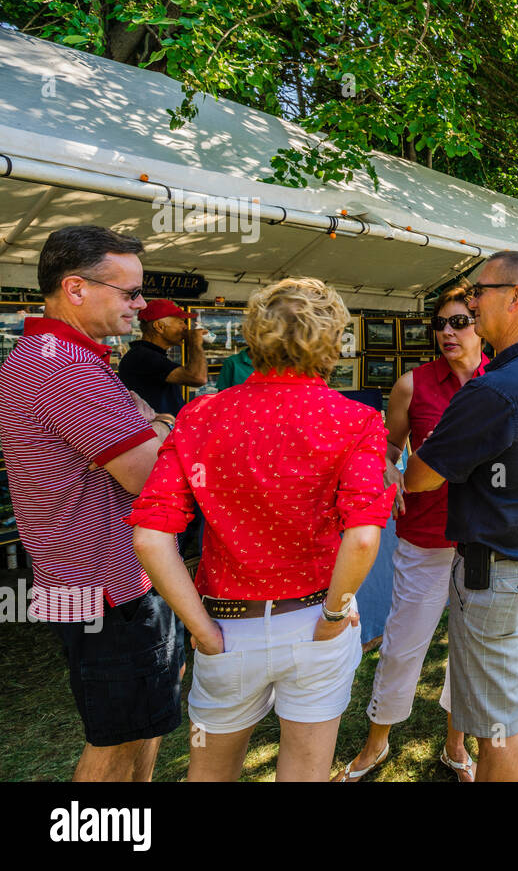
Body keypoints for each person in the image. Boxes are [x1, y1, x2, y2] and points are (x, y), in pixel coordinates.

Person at [129, 277, 394, 780]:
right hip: (315, 617)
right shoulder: (353, 419)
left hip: (227, 625)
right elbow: (362, 536)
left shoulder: (201, 414)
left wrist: (200, 629)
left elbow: (150, 535)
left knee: (208, 772)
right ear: (334, 342)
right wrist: (336, 614)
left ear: (252, 337)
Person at [0, 225, 183, 782]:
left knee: (143, 721)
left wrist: (147, 422)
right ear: (75, 289)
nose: (143, 304)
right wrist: (156, 421)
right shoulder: (63, 367)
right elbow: (148, 472)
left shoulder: (58, 355)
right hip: (106, 583)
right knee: (119, 738)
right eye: (129, 293)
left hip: (99, 575)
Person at [405, 251, 518, 782]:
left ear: (517, 297)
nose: (472, 303)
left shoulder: (493, 390)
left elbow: (420, 478)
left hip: (495, 575)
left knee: (497, 726)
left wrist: (429, 450)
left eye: (480, 292)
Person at [336, 285, 488, 782]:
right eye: (440, 323)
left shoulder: (502, 381)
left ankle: (455, 745)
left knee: (471, 649)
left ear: (481, 324)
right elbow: (386, 449)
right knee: (404, 645)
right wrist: (390, 471)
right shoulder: (412, 384)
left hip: (485, 539)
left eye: (459, 321)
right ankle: (375, 743)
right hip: (425, 534)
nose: (447, 331)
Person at [117, 298, 208, 415]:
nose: (185, 327)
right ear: (159, 326)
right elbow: (198, 378)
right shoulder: (143, 356)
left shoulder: (147, 354)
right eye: (180, 322)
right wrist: (195, 343)